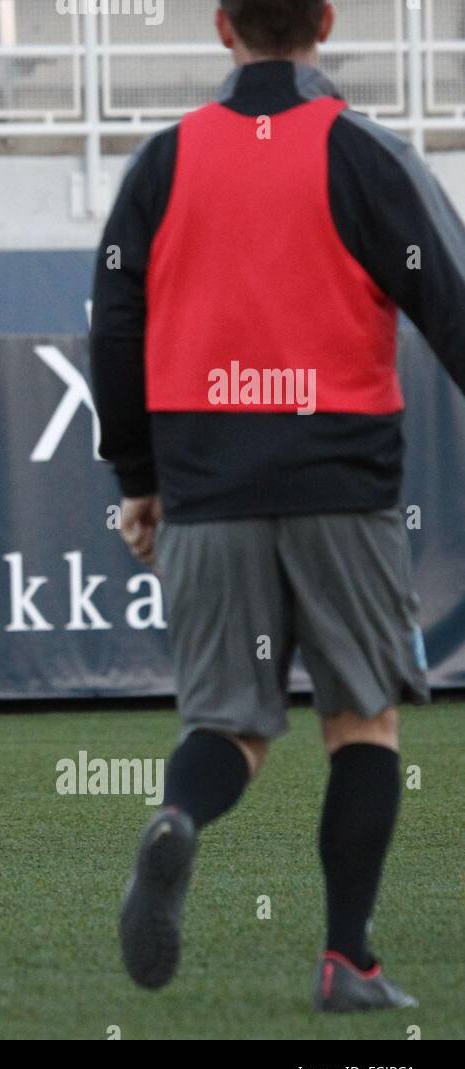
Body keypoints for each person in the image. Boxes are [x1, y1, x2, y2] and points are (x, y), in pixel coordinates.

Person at [90, 0, 465, 1010]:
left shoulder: (161, 165)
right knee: (362, 722)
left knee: (230, 722)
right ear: (325, 21)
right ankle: (346, 958)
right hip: (342, 482)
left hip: (208, 489)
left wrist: (137, 479)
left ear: (221, 27)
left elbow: (114, 329)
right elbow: (454, 306)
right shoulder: (366, 153)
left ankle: (177, 817)